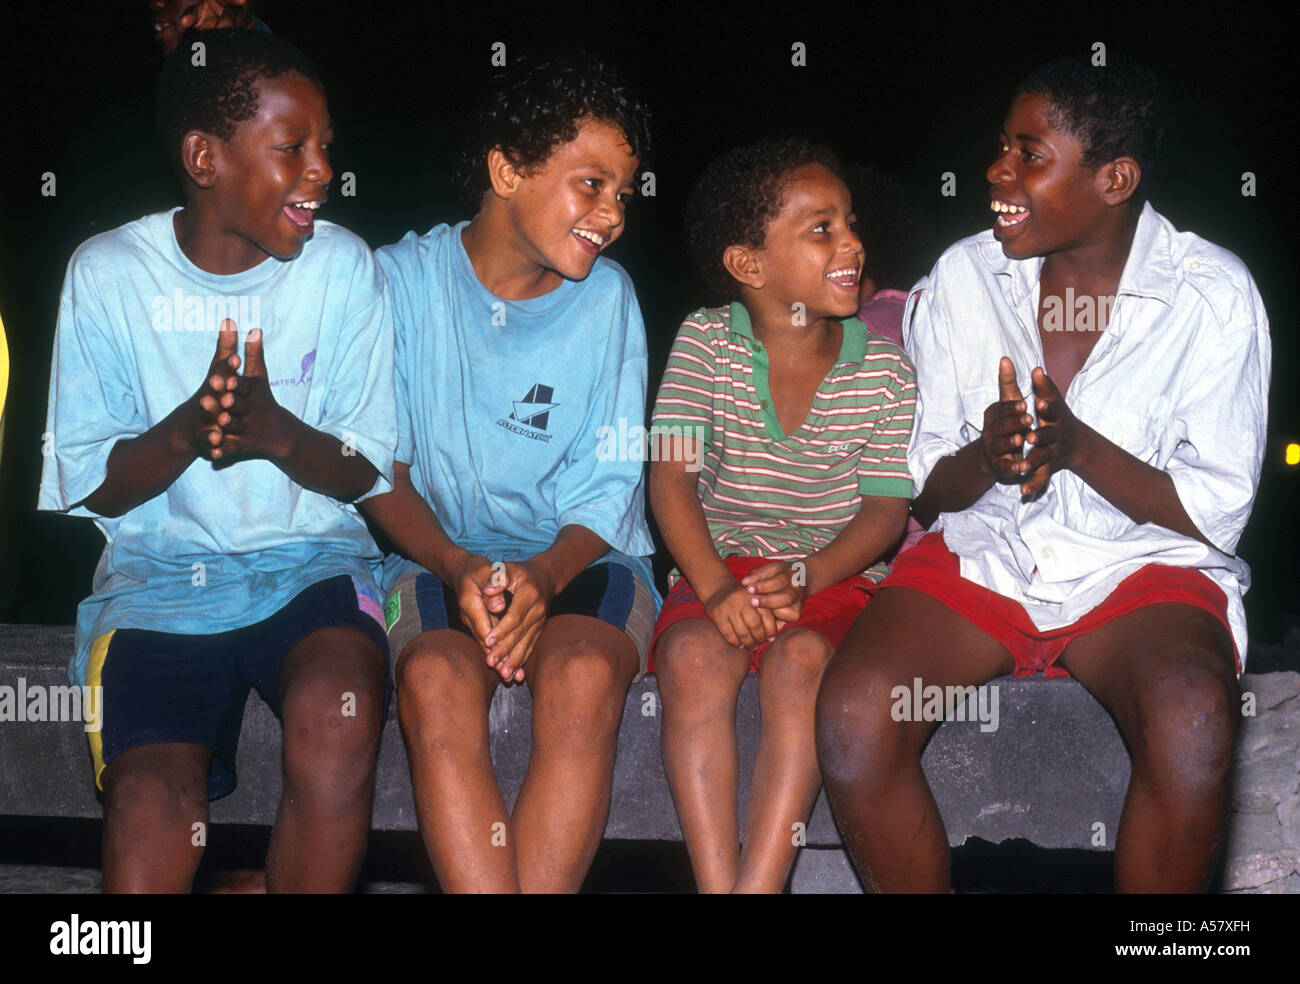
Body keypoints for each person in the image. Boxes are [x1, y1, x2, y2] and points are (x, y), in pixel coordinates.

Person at [816, 55, 1271, 893]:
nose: (998, 172)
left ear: (1115, 179)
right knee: (854, 716)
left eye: (1030, 154)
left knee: (1193, 719)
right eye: (1001, 146)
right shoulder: (963, 277)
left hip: (1140, 567)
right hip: (986, 556)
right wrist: (986, 458)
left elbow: (1213, 518)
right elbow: (931, 488)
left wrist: (1080, 449)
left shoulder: (1211, 296)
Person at [37, 29, 396, 893]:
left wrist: (278, 433)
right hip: (157, 584)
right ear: (204, 157)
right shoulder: (108, 275)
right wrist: (188, 431)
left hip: (312, 564)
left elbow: (363, 471)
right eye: (292, 150)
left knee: (337, 719)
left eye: (326, 149)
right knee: (151, 811)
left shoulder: (344, 269)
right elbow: (89, 480)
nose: (321, 171)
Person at [362, 53, 658, 893]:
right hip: (436, 554)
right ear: (505, 168)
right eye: (591, 184)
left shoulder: (608, 300)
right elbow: (379, 466)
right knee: (433, 681)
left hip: (581, 557)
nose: (610, 215)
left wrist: (540, 574)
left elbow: (610, 484)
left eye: (624, 195)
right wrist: (457, 566)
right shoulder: (403, 283)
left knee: (584, 676)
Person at [648, 139, 915, 892]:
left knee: (801, 666)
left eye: (851, 223)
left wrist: (810, 573)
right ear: (749, 266)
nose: (853, 244)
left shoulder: (884, 368)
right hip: (720, 565)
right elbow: (670, 477)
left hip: (834, 574)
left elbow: (886, 512)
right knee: (691, 660)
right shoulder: (704, 342)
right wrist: (715, 588)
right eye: (822, 228)